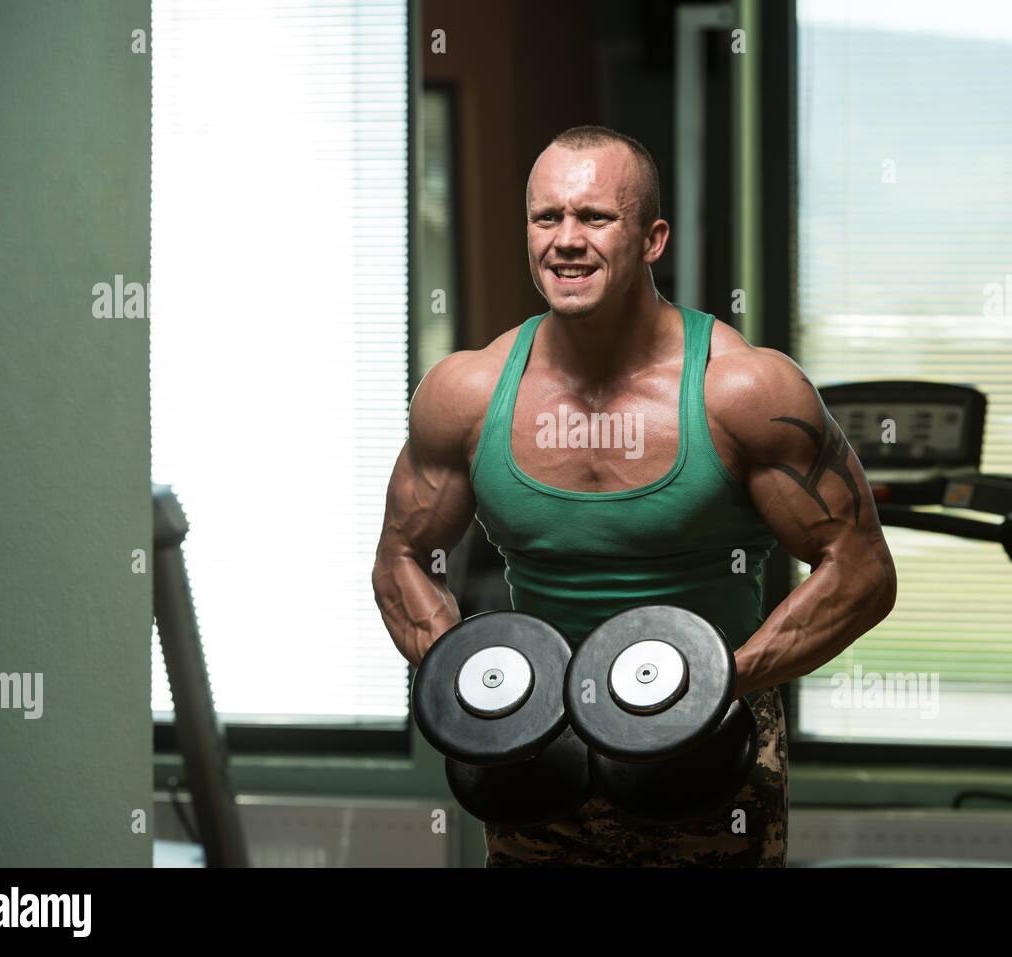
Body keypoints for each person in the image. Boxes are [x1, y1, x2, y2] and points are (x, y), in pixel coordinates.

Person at [373, 125, 896, 866]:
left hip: (707, 749)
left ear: (652, 239)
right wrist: (475, 690)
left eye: (595, 217)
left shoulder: (744, 390)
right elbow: (401, 554)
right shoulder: (466, 392)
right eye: (547, 217)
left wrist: (711, 687)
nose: (566, 240)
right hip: (537, 746)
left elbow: (861, 570)